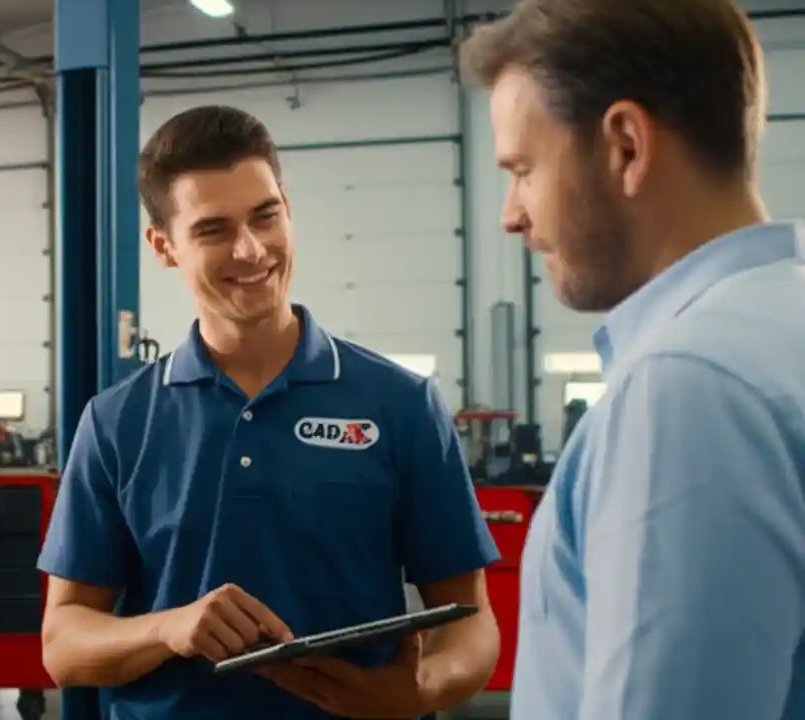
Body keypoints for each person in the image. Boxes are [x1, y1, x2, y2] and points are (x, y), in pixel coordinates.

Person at [36, 105, 501, 720]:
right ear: (163, 246)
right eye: (212, 230)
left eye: (265, 216)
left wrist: (422, 688)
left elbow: (472, 623)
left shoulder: (401, 405)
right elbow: (64, 644)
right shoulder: (116, 423)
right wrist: (169, 628)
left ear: (288, 206)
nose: (251, 250)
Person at [461, 2, 805, 719]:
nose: (510, 213)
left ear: (624, 145)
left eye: (522, 168)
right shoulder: (779, 333)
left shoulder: (688, 391)